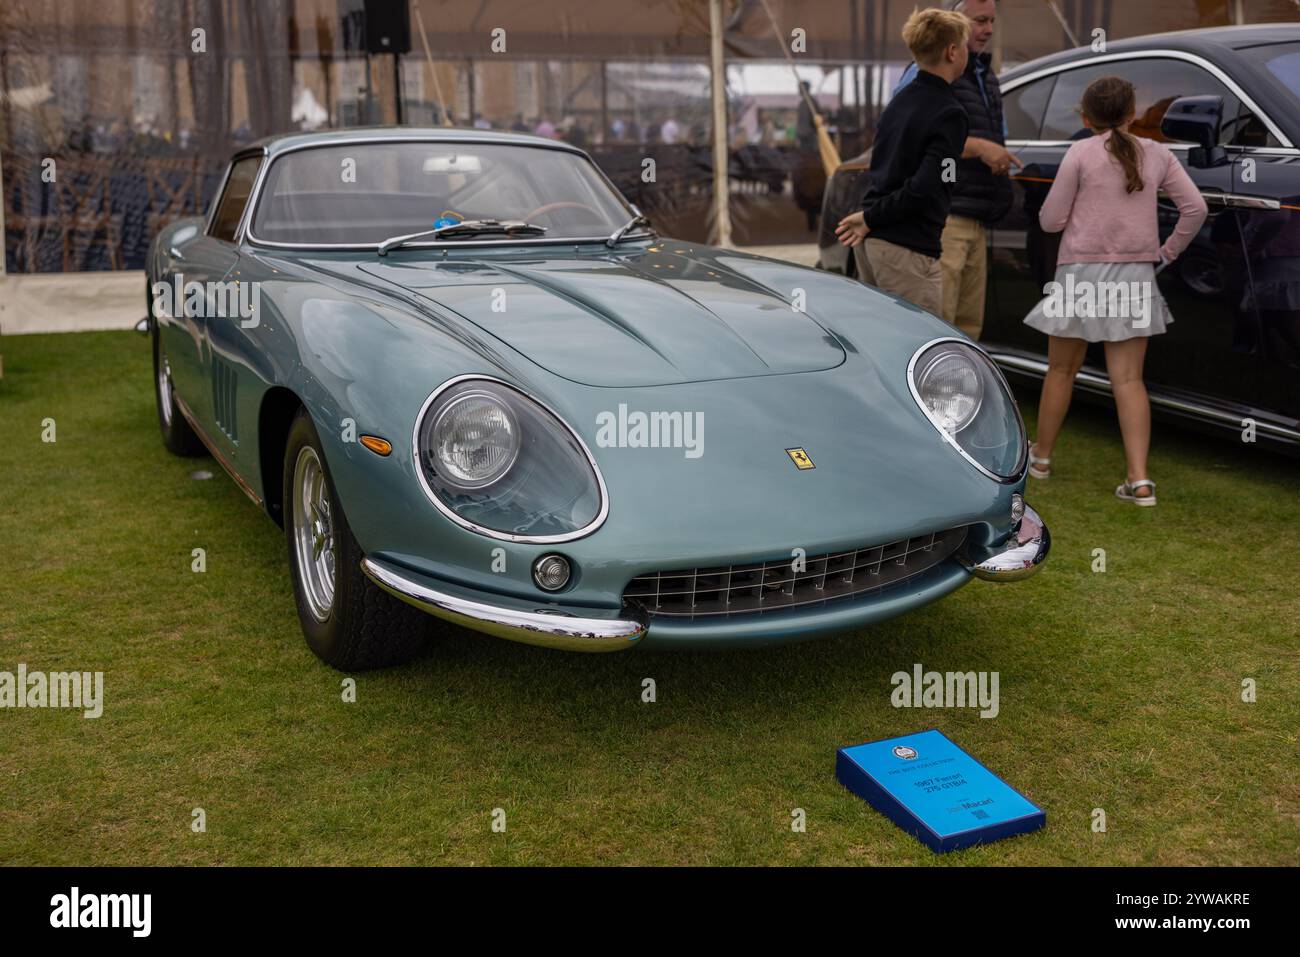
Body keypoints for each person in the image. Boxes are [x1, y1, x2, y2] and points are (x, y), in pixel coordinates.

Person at [1022, 75, 1207, 507]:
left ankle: (1042, 458)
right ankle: (1139, 481)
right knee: (1128, 379)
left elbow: (1050, 220)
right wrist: (1167, 253)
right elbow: (1195, 208)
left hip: (1080, 272)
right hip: (1135, 275)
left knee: (1061, 371)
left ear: (1086, 119)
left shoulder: (1079, 153)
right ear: (1132, 114)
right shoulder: (1158, 153)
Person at [891, 0, 1020, 340]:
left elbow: (992, 135)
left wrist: (996, 152)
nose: (988, 29)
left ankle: (962, 377)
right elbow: (909, 137)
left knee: (967, 330)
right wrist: (981, 148)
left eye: (992, 21)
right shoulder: (923, 75)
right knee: (938, 326)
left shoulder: (987, 77)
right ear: (953, 23)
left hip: (976, 218)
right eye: (980, 20)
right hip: (944, 218)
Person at [834, 7, 970, 318]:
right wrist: (870, 218)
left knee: (879, 337)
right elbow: (928, 186)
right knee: (917, 340)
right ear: (952, 52)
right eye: (964, 45)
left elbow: (884, 170)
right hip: (907, 249)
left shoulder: (898, 103)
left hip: (873, 244)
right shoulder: (950, 113)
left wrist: (871, 218)